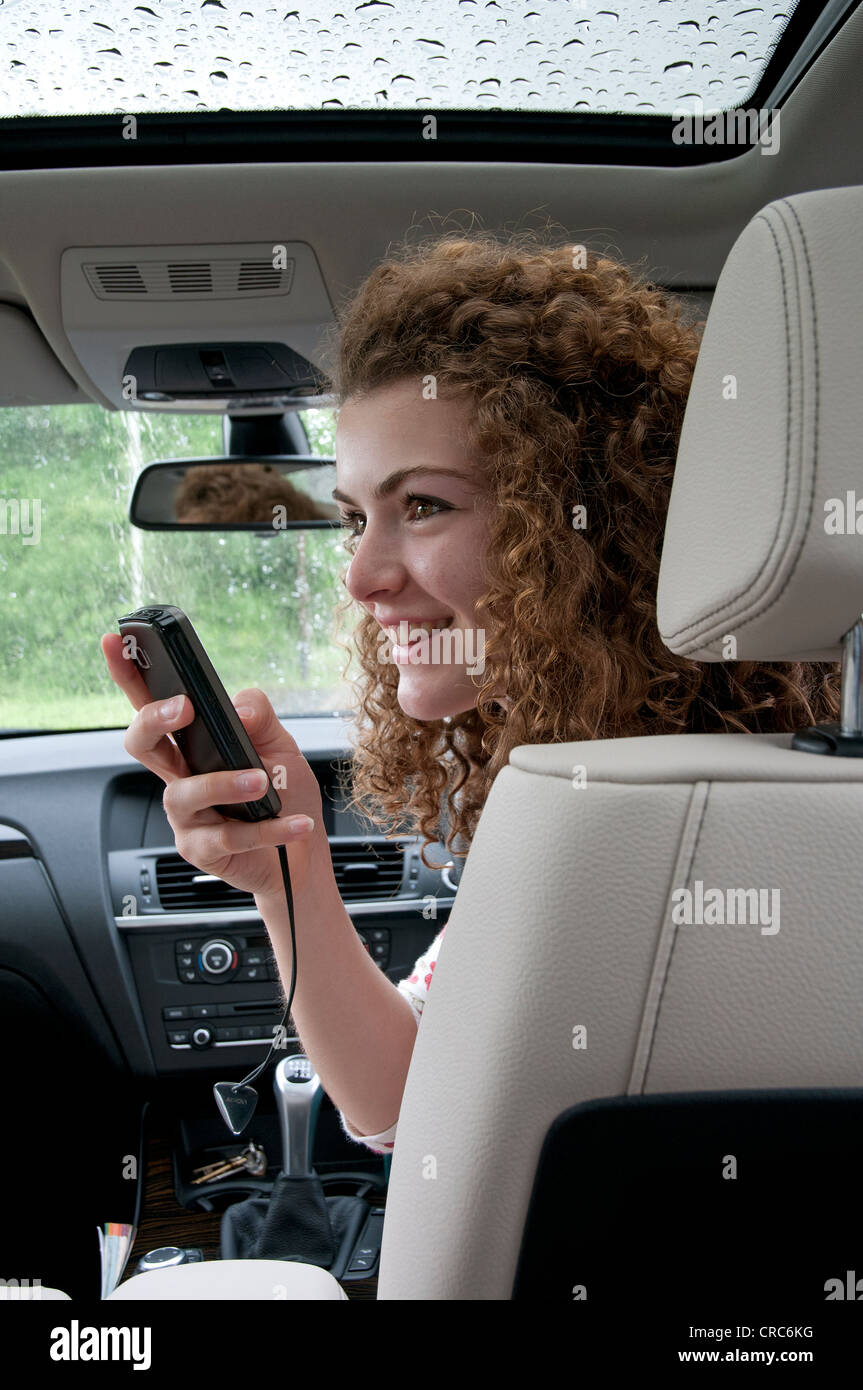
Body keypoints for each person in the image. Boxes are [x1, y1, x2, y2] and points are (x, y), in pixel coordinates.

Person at [102, 228, 841, 1156]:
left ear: (592, 527)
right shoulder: (585, 790)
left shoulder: (613, 826)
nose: (362, 577)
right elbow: (404, 1099)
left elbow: (412, 1123)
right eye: (353, 518)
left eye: (424, 506)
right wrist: (284, 874)